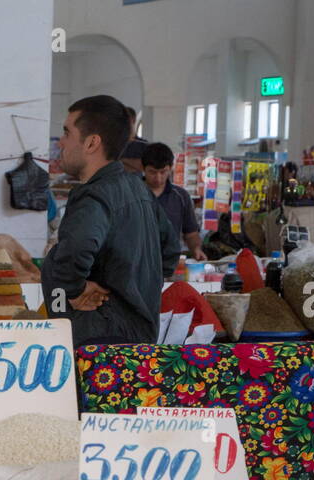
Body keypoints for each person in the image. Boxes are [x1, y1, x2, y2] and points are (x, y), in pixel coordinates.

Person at [41, 95, 180, 347]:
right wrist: (139, 288)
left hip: (99, 339)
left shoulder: (94, 195)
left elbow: (77, 248)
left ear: (92, 142)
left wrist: (74, 289)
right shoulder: (138, 190)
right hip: (136, 338)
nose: (61, 142)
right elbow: (170, 248)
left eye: (67, 132)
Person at [141, 142, 205, 260]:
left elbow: (191, 233)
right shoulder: (130, 194)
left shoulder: (181, 197)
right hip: (137, 263)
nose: (158, 178)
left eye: (163, 172)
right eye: (152, 172)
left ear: (171, 168)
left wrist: (196, 248)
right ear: (143, 168)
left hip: (169, 263)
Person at [119, 106, 150, 174]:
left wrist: (121, 160)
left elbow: (143, 167)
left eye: (126, 119)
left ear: (133, 120)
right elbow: (110, 165)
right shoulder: (114, 143)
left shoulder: (144, 144)